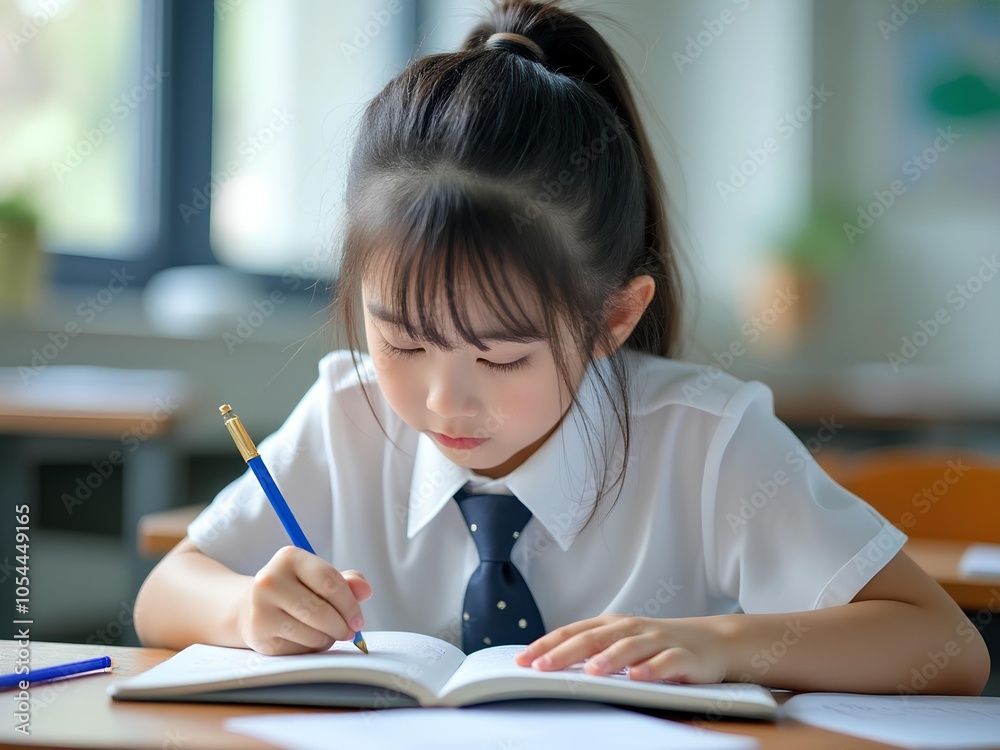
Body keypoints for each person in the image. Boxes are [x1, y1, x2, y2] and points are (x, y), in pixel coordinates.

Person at [135, 0, 989, 695]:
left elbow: (945, 648)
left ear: (614, 319)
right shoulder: (346, 414)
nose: (443, 400)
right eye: (400, 340)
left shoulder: (707, 440)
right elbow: (165, 592)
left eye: (501, 357)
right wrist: (247, 608)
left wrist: (724, 644)